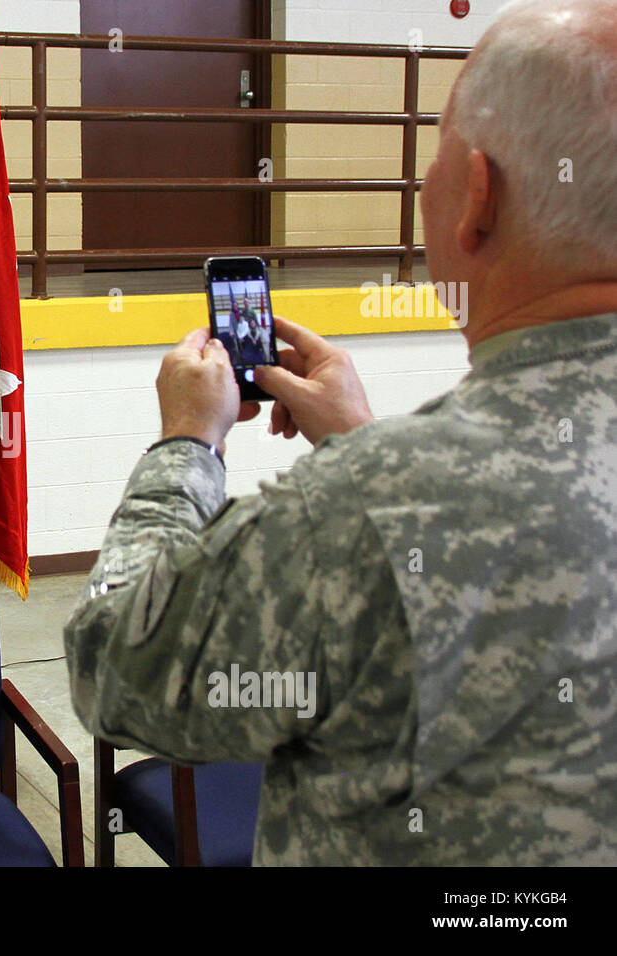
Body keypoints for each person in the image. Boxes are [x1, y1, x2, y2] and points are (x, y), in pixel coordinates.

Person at [64, 0, 617, 866]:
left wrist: (186, 447)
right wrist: (364, 445)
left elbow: (116, 663)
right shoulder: (386, 490)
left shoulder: (361, 513)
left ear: (477, 197)